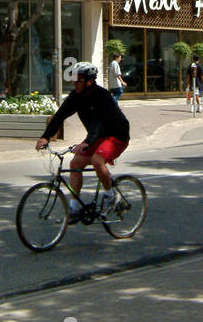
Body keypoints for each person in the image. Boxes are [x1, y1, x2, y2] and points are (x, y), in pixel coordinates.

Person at [35, 62, 131, 221]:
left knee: (97, 160)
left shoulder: (102, 96)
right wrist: (45, 136)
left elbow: (99, 123)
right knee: (75, 164)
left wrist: (87, 142)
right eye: (73, 80)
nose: (74, 83)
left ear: (89, 81)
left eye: (78, 80)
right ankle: (75, 207)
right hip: (98, 136)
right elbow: (59, 116)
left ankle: (111, 195)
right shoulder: (76, 97)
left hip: (116, 135)